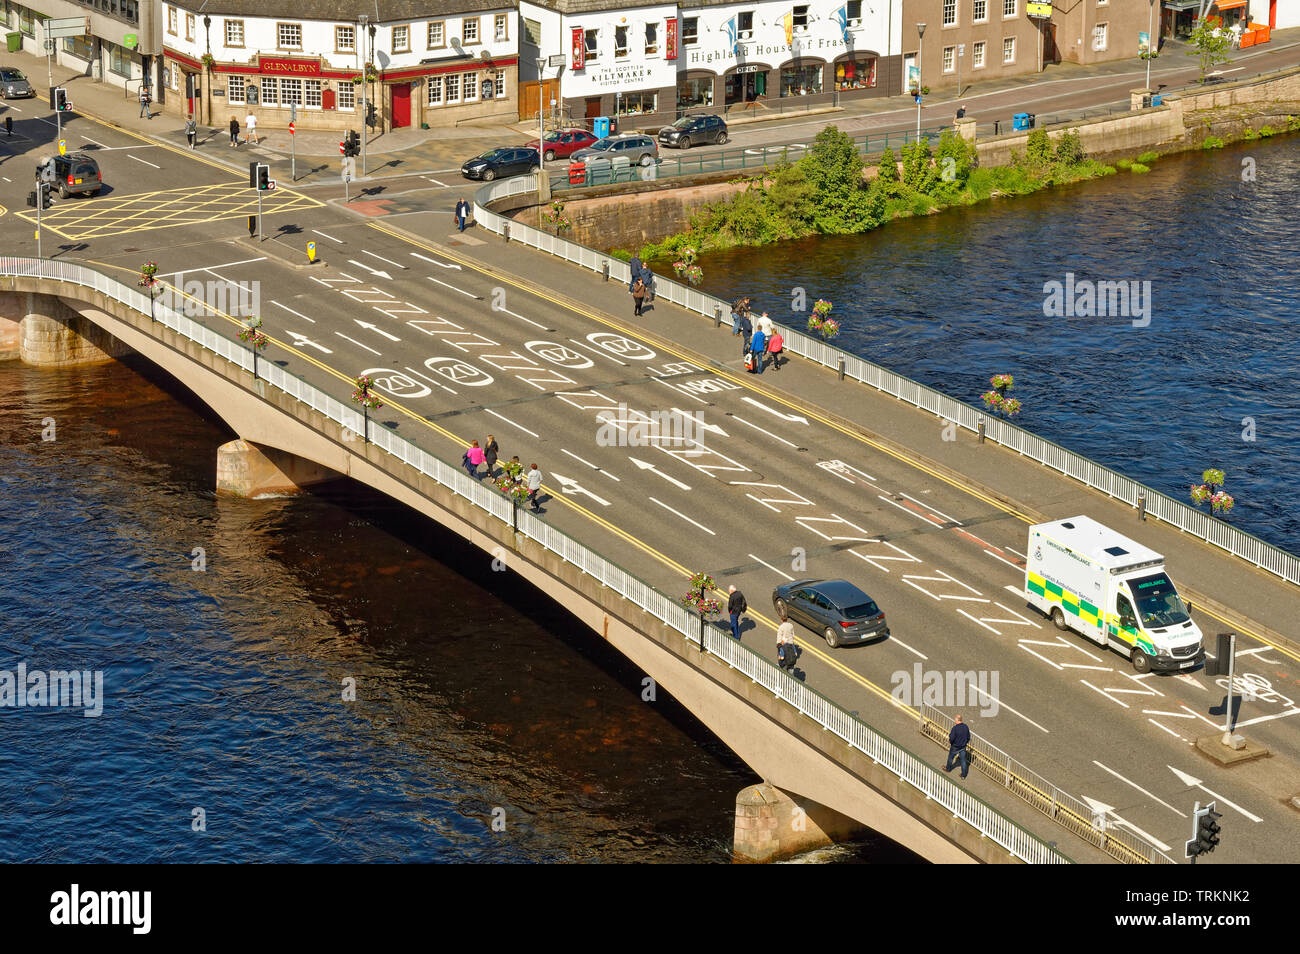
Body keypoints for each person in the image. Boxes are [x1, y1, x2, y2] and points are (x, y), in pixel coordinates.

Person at [944, 714, 971, 779]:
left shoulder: (955, 728)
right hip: (963, 747)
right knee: (963, 761)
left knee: (950, 758)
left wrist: (951, 742)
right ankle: (963, 775)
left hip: (955, 746)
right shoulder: (966, 727)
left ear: (957, 720)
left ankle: (948, 768)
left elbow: (951, 738)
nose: (954, 721)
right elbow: (968, 737)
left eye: (955, 720)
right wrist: (965, 743)